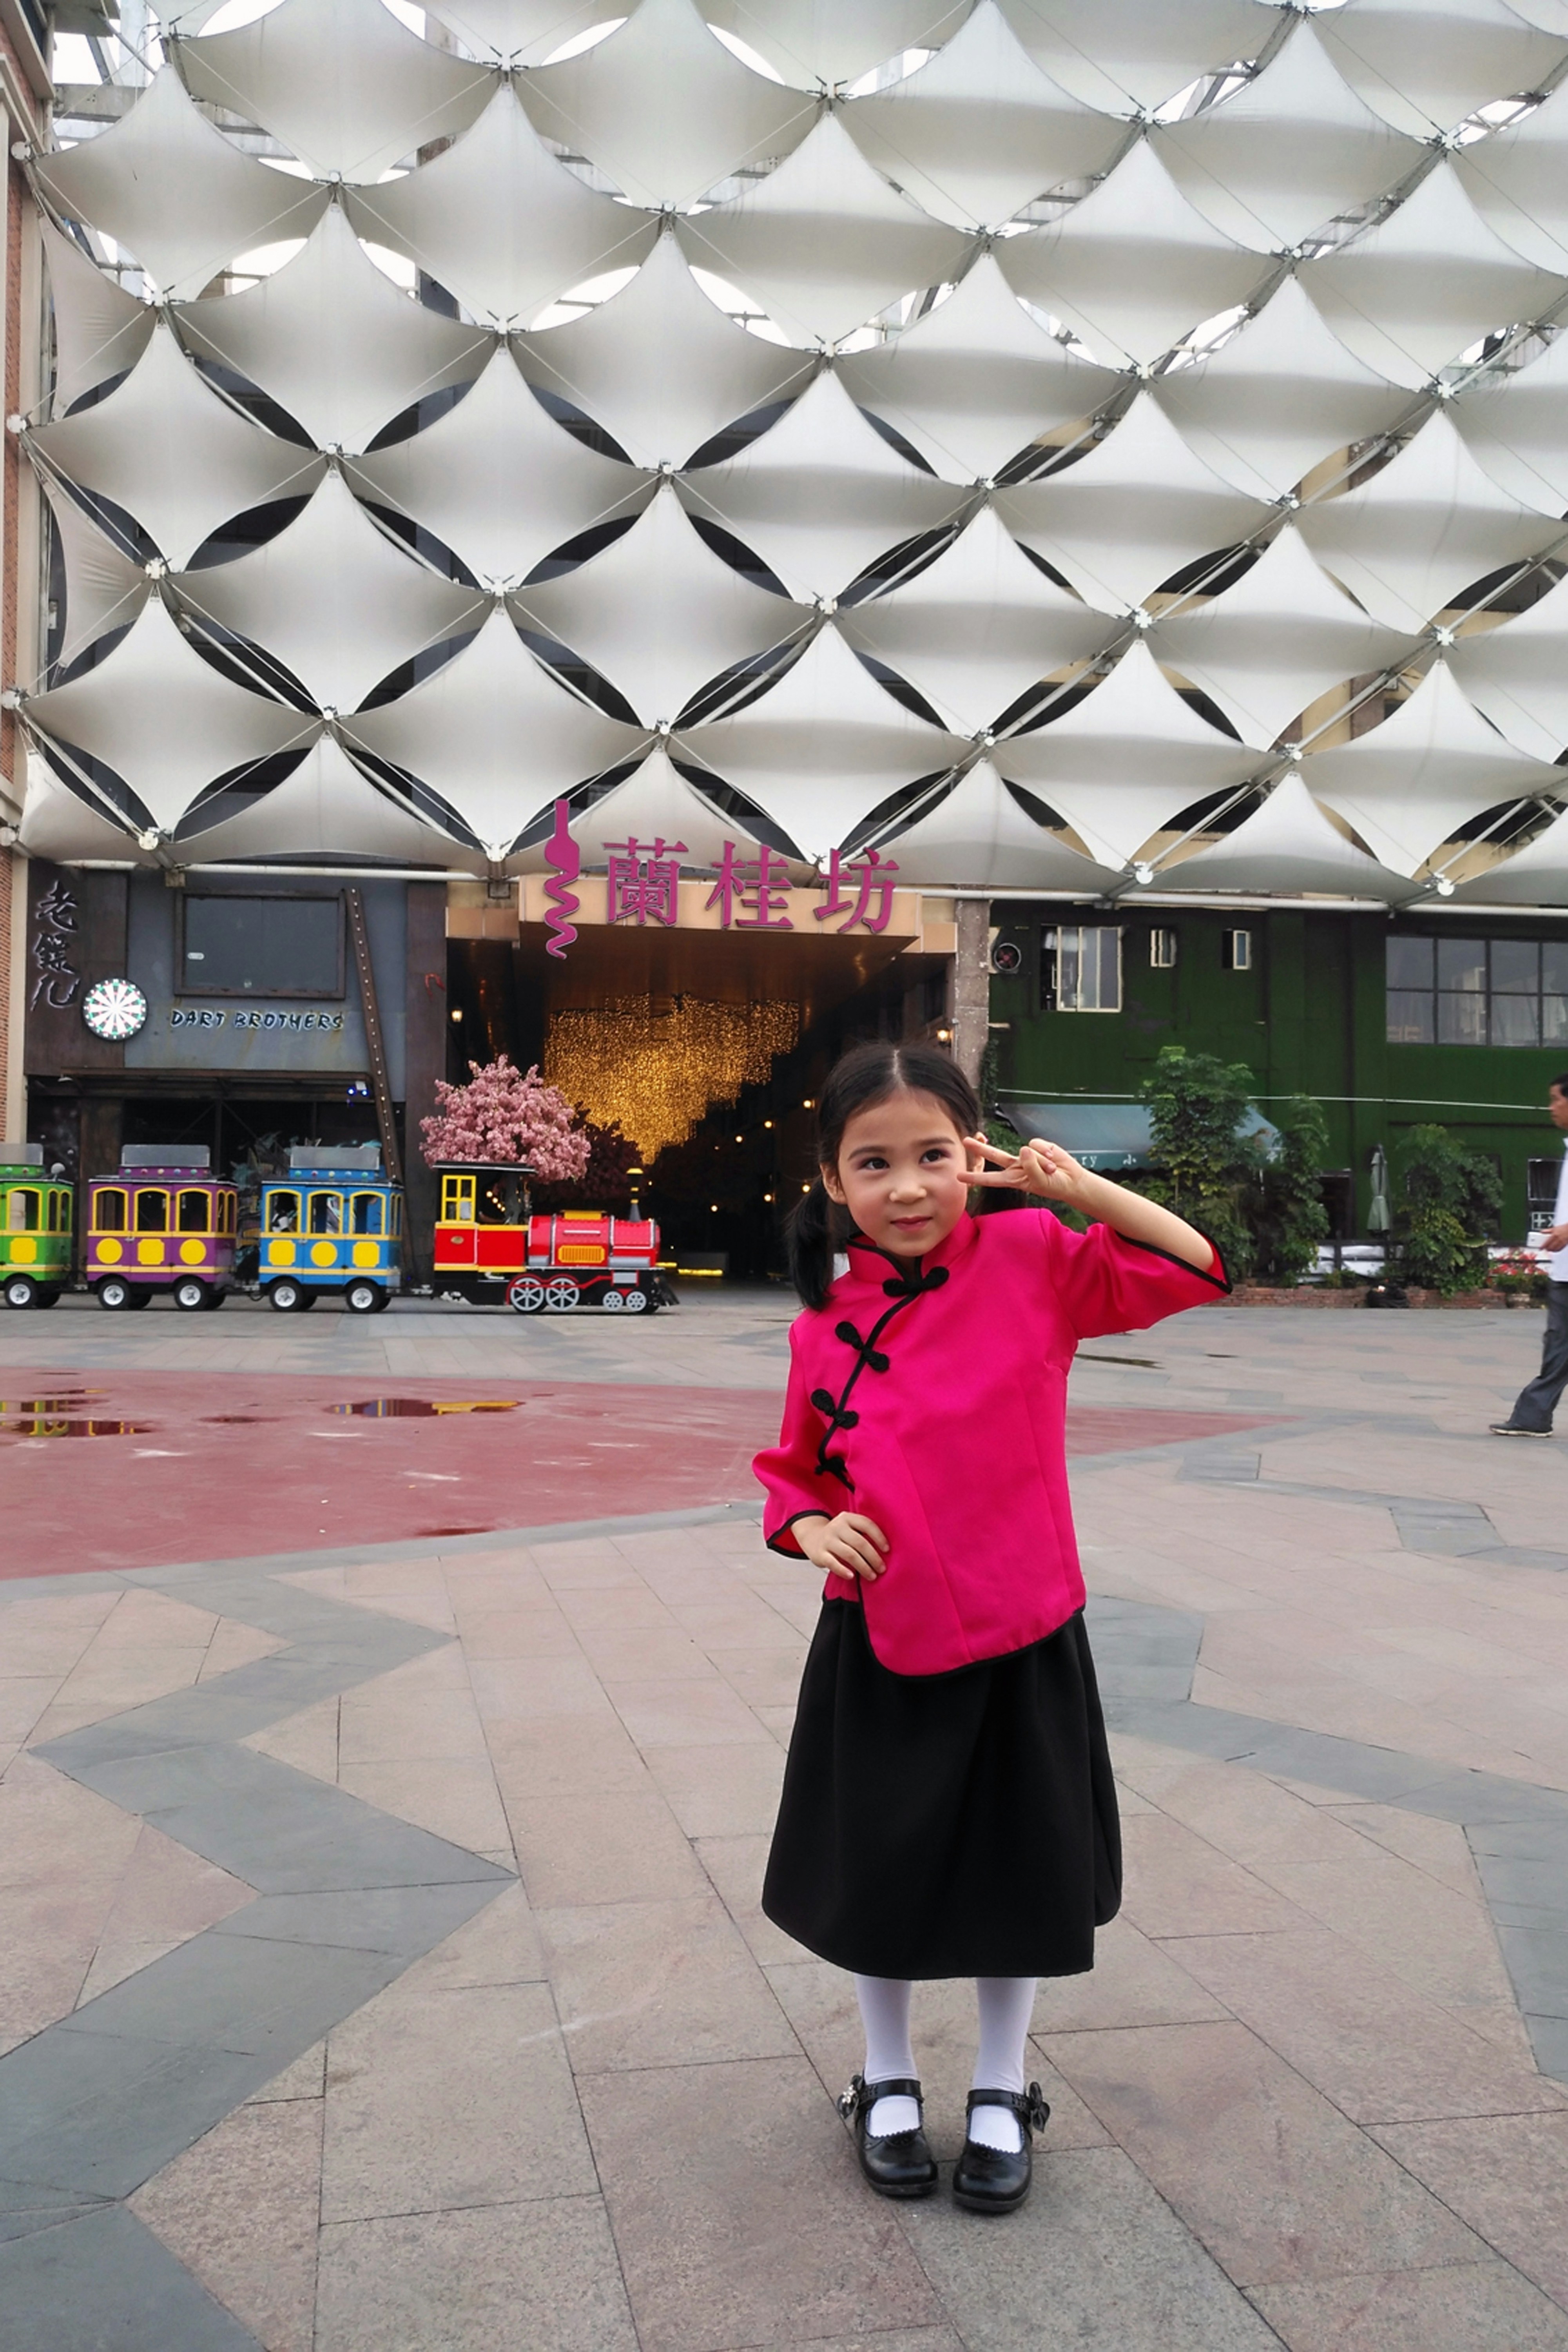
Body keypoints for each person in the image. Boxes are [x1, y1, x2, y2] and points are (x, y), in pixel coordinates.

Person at [752, 1041, 1228, 2216]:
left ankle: (1004, 2081)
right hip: (883, 1634)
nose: (906, 1186)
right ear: (831, 1177)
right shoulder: (824, 1319)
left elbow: (1197, 1264)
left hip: (1021, 1622)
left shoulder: (1033, 1256)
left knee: (1021, 1865)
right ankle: (886, 2074)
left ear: (973, 1155)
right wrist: (810, 1526)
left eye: (931, 1155)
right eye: (874, 1162)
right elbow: (793, 1470)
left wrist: (1078, 1191)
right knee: (881, 1866)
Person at [1490, 1073, 1568, 1438]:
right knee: (1558, 1347)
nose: (1550, 1107)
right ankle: (1533, 1416)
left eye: (1555, 1099)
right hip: (1564, 1273)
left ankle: (1532, 1414)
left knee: (1559, 1346)